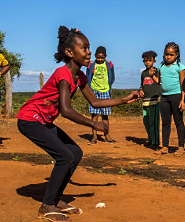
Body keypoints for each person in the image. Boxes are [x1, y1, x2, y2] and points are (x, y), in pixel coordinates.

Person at [17, 26, 139, 222]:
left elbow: (96, 101)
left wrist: (124, 99)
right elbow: (66, 110)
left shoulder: (80, 76)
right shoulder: (63, 74)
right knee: (65, 155)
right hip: (29, 120)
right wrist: (94, 124)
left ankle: (56, 199)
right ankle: (46, 206)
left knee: (76, 153)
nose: (89, 52)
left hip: (43, 121)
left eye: (88, 48)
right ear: (69, 52)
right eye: (84, 48)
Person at [157, 42, 185, 156]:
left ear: (177, 55)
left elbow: (183, 85)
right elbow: (159, 81)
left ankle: (181, 147)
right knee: (165, 122)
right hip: (164, 97)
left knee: (178, 122)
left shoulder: (180, 67)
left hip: (176, 97)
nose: (168, 57)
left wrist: (183, 100)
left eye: (171, 55)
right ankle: (165, 146)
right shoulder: (161, 66)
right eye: (166, 54)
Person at [86, 46, 116, 144]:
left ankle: (107, 136)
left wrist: (107, 87)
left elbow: (112, 77)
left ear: (105, 57)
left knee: (105, 115)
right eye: (98, 57)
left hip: (105, 92)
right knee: (94, 115)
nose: (99, 59)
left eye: (102, 58)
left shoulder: (109, 64)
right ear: (95, 56)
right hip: (94, 92)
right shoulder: (91, 65)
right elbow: (87, 77)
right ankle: (94, 137)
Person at [138, 50, 161, 149]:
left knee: (153, 122)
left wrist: (153, 75)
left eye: (149, 61)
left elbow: (160, 82)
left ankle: (155, 142)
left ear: (154, 61)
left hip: (155, 100)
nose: (147, 62)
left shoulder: (157, 71)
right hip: (145, 101)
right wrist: (140, 90)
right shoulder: (143, 73)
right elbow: (142, 85)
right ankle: (150, 138)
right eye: (145, 61)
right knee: (146, 121)